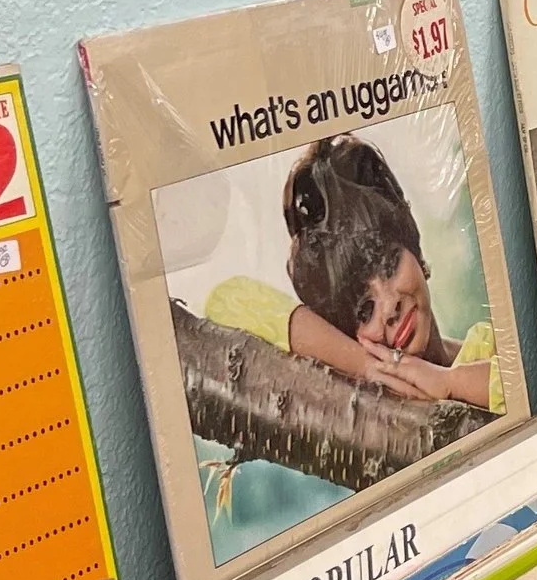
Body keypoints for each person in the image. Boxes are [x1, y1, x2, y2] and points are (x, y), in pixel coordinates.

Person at [204, 133, 500, 411]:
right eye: (364, 310)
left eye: (390, 264)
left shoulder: (490, 349)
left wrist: (450, 383)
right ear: (344, 332)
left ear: (412, 244)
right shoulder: (368, 402)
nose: (390, 306)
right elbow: (225, 300)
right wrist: (369, 367)